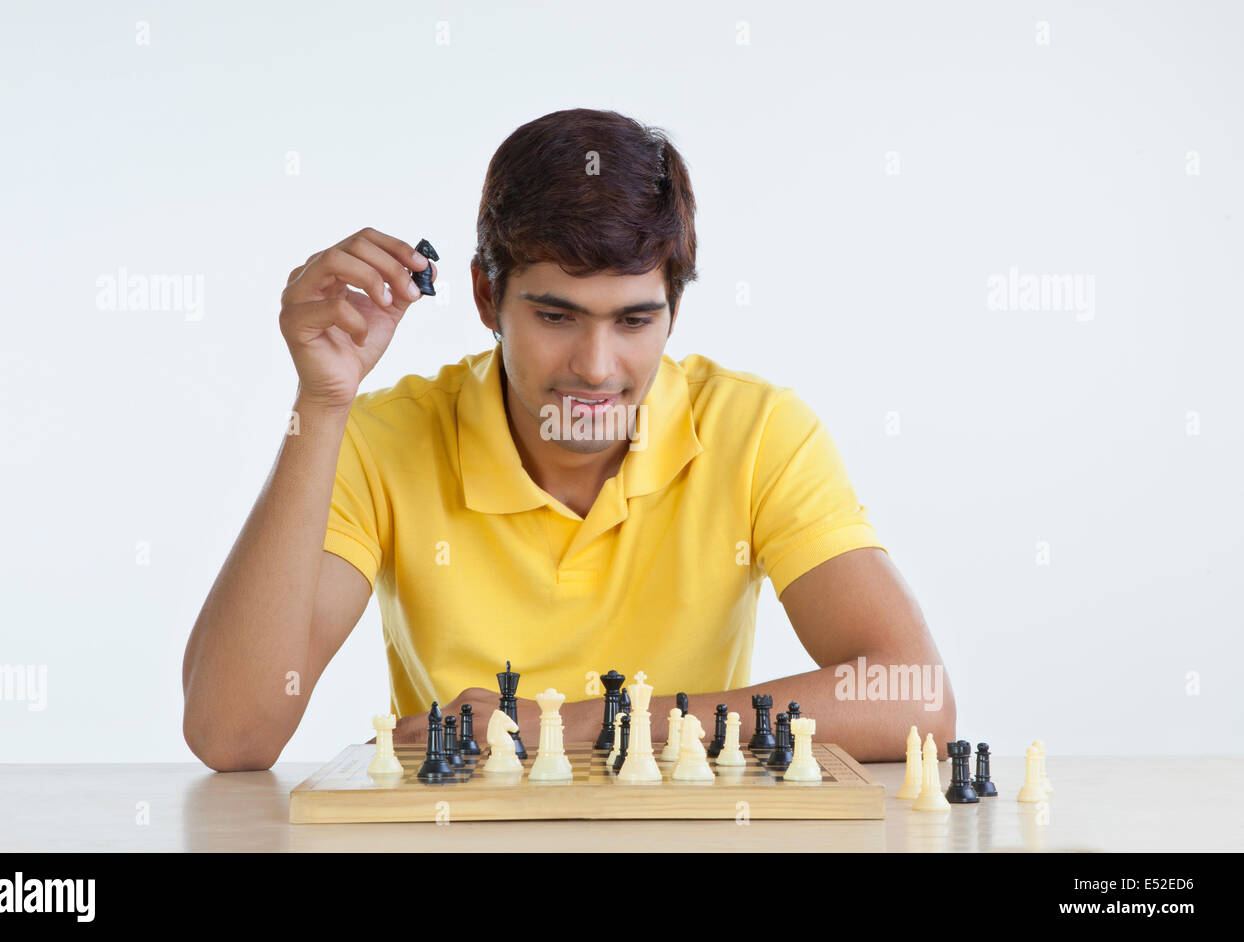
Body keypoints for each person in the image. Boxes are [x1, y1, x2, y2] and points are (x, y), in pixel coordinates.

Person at [181, 108, 955, 771]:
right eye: (557, 317)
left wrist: (577, 726)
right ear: (487, 295)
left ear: (674, 311)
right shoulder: (382, 439)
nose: (596, 368)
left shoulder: (757, 433)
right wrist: (321, 404)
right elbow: (231, 733)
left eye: (634, 320)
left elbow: (914, 696)